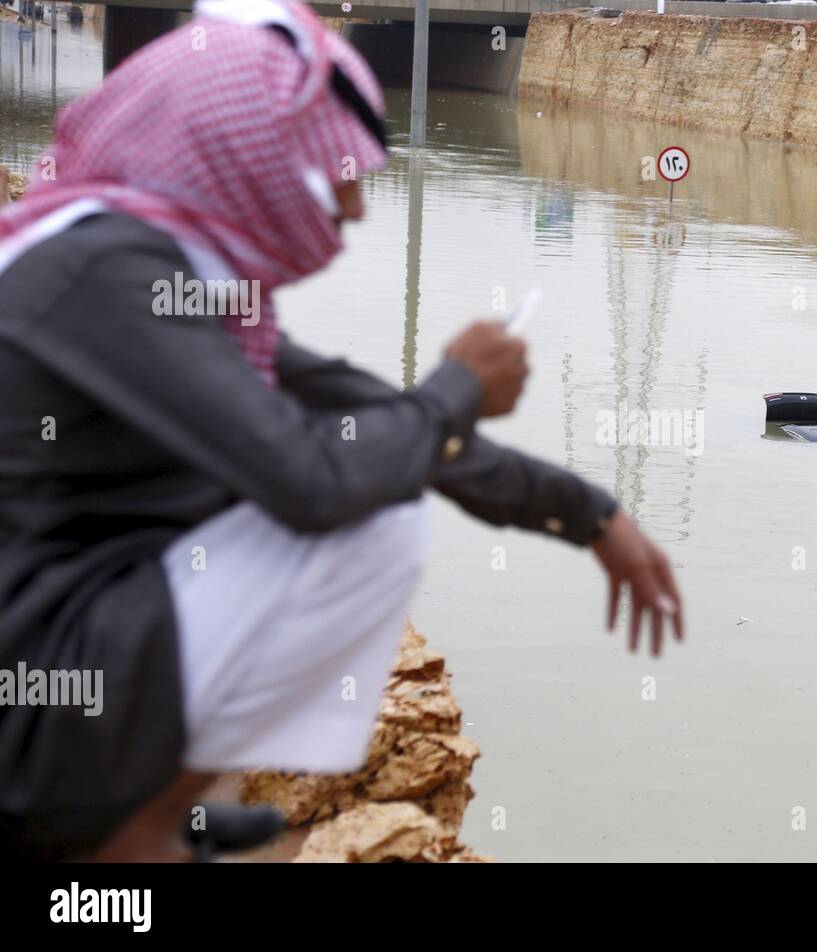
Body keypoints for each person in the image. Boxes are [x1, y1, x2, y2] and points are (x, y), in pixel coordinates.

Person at [0, 0, 683, 862]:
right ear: (242, 155)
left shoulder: (147, 261)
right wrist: (455, 389)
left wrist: (586, 512)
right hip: (31, 697)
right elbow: (315, 479)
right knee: (374, 516)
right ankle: (117, 843)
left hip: (58, 646)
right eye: (338, 176)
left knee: (371, 462)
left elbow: (355, 408)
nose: (355, 210)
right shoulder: (111, 271)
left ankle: (160, 810)